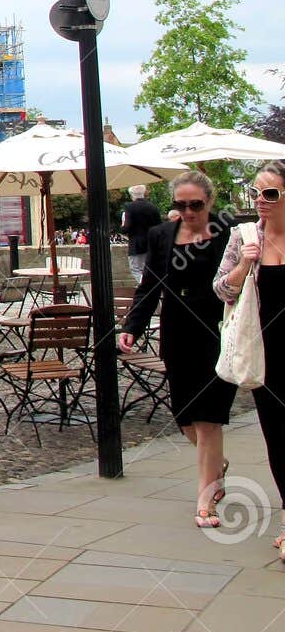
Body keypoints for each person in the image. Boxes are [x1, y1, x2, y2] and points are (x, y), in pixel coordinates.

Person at [119, 172, 233, 529]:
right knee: (185, 416)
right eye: (180, 205)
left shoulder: (226, 232)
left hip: (216, 327)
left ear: (209, 201)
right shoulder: (161, 234)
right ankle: (216, 464)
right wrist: (132, 327)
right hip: (177, 327)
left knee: (209, 416)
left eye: (195, 204)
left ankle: (205, 498)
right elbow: (150, 285)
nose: (188, 212)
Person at [216, 160, 285, 559]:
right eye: (255, 192)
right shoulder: (243, 237)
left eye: (270, 193)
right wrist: (245, 263)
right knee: (278, 438)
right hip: (263, 355)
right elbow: (221, 290)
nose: (260, 200)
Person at [121, 185, 161, 284]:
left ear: (132, 195)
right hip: (152, 243)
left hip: (136, 243)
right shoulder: (153, 207)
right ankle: (150, 285)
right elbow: (159, 226)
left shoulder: (129, 207)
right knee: (150, 268)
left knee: (135, 268)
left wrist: (122, 228)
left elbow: (127, 226)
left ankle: (145, 286)